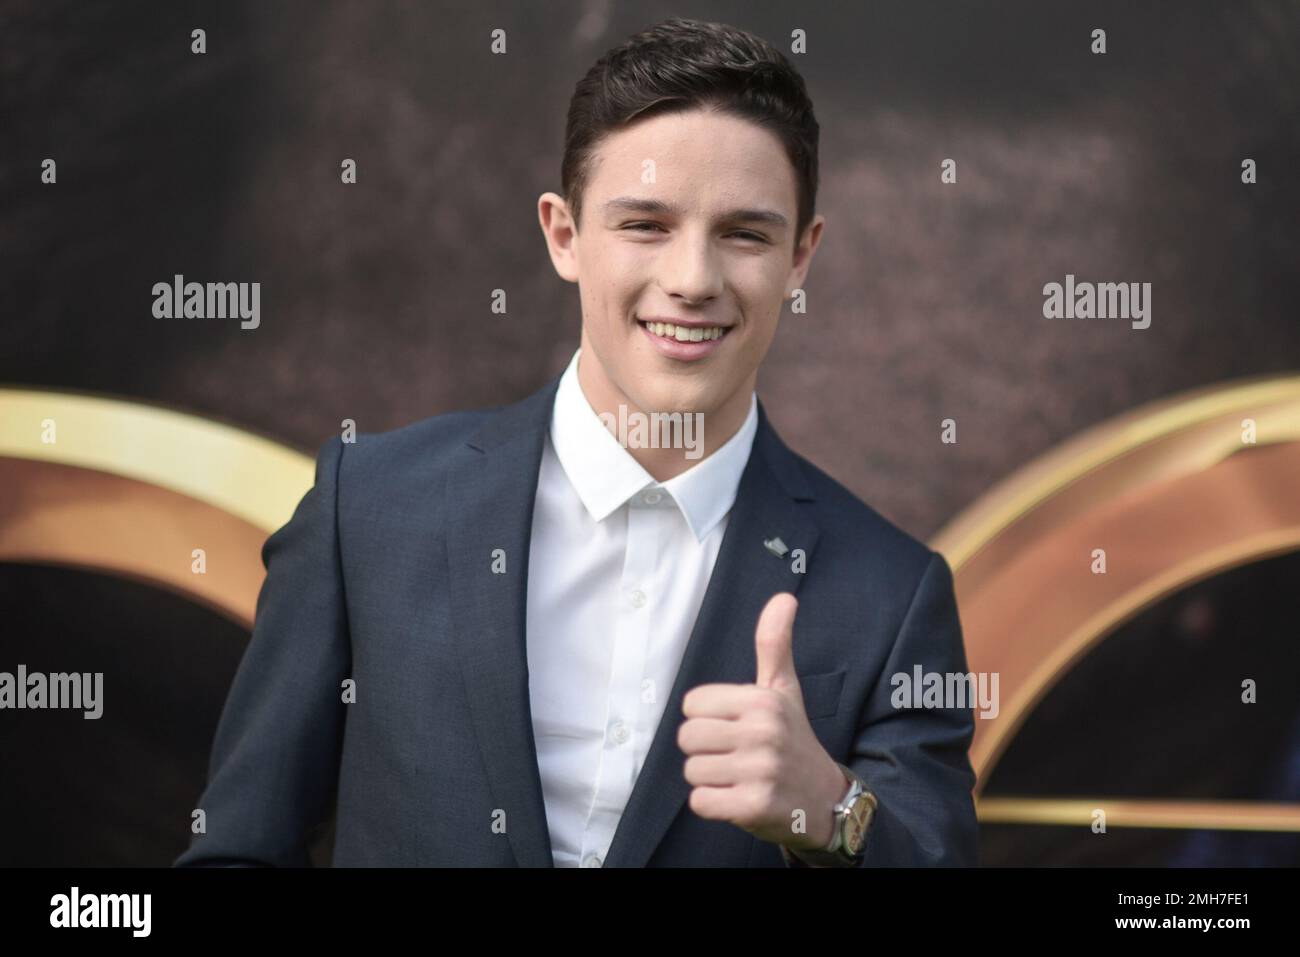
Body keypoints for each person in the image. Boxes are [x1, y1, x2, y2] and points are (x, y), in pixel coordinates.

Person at [175, 16, 978, 868]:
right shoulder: (367, 509)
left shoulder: (894, 593)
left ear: (801, 257)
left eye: (744, 233)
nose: (692, 280)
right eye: (645, 225)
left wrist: (832, 809)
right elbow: (237, 850)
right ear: (564, 235)